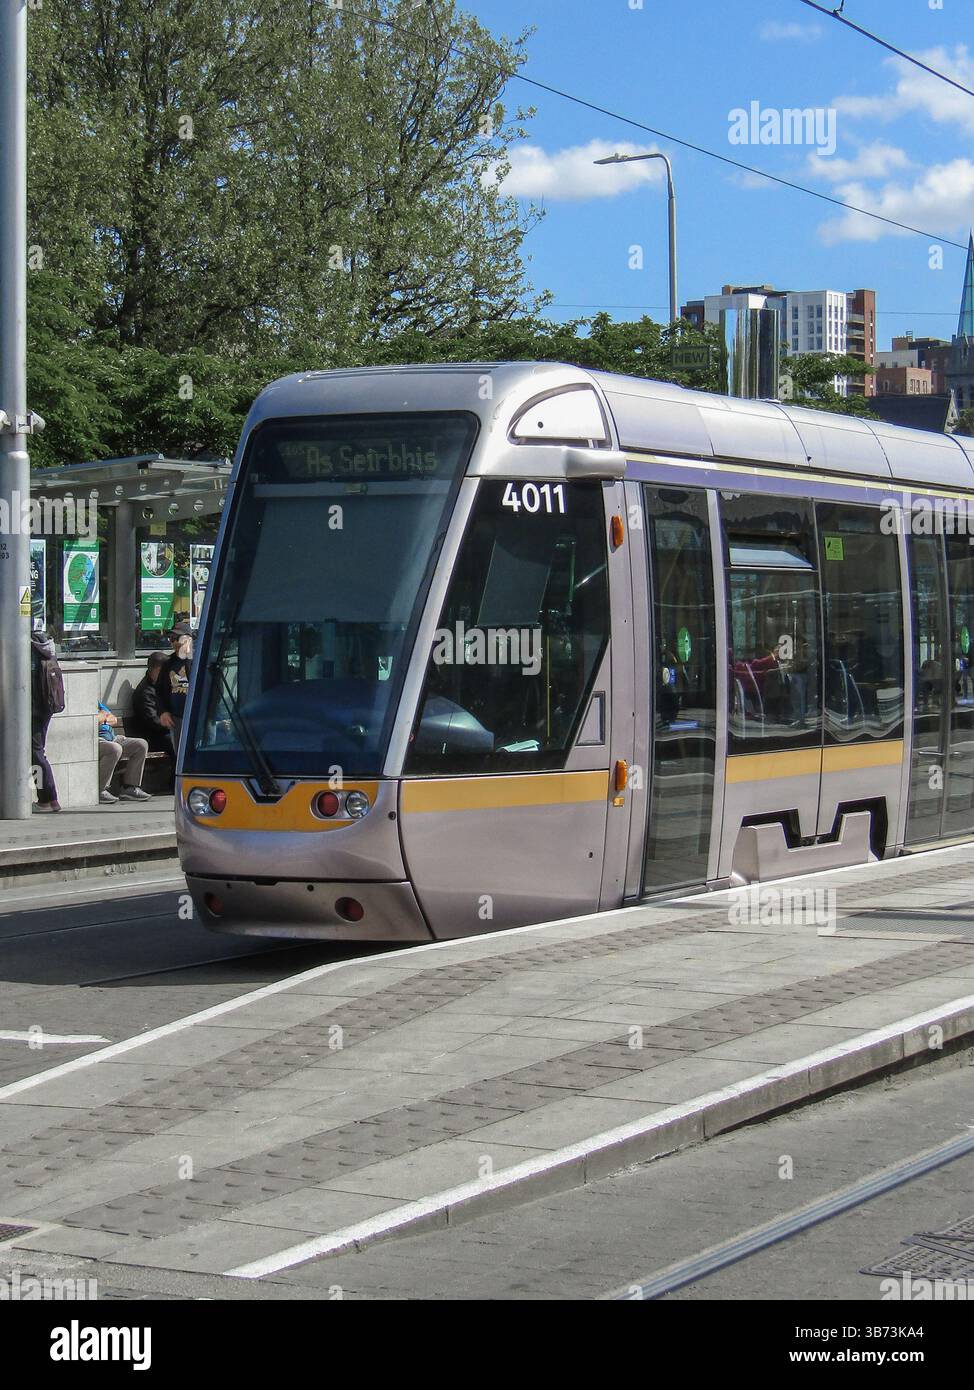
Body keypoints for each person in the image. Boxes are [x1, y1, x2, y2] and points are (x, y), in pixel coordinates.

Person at [30, 631, 63, 812]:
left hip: (33, 709)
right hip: (46, 707)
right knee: (37, 753)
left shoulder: (28, 650)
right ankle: (48, 799)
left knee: (35, 754)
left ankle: (47, 799)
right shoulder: (45, 648)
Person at [97, 703, 152, 803]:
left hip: (113, 738)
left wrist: (102, 717)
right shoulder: (82, 700)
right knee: (114, 749)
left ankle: (129, 788)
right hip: (95, 740)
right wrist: (102, 716)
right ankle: (99, 790)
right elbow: (91, 720)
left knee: (140, 744)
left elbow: (113, 719)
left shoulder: (97, 703)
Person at [130, 652, 175, 755]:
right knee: (176, 742)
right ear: (157, 670)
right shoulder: (145, 692)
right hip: (152, 737)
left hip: (165, 732)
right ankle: (177, 771)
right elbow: (153, 721)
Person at [158, 621, 193, 753]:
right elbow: (160, 691)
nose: (173, 643)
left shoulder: (199, 659)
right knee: (180, 755)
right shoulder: (168, 663)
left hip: (199, 719)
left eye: (176, 638)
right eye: (171, 638)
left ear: (187, 639)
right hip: (177, 718)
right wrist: (163, 711)